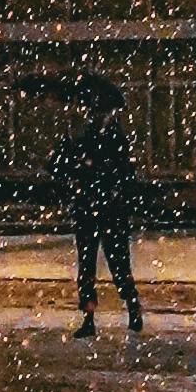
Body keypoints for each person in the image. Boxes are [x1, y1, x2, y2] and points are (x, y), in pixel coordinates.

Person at [59, 67, 146, 342]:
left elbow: (123, 174)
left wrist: (91, 170)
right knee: (88, 267)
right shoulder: (87, 138)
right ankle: (90, 317)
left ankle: (132, 309)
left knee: (117, 264)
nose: (93, 114)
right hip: (94, 208)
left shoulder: (113, 139)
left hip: (108, 209)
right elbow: (64, 168)